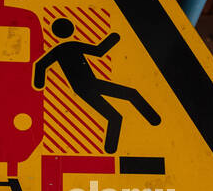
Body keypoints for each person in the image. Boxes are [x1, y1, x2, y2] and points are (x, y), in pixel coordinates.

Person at [33, 17, 161, 153]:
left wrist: (39, 83)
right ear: (70, 30)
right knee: (129, 96)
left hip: (84, 88)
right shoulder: (73, 46)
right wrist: (114, 37)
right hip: (89, 85)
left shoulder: (59, 50)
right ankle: (153, 121)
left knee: (116, 115)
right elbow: (99, 50)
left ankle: (113, 148)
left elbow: (40, 65)